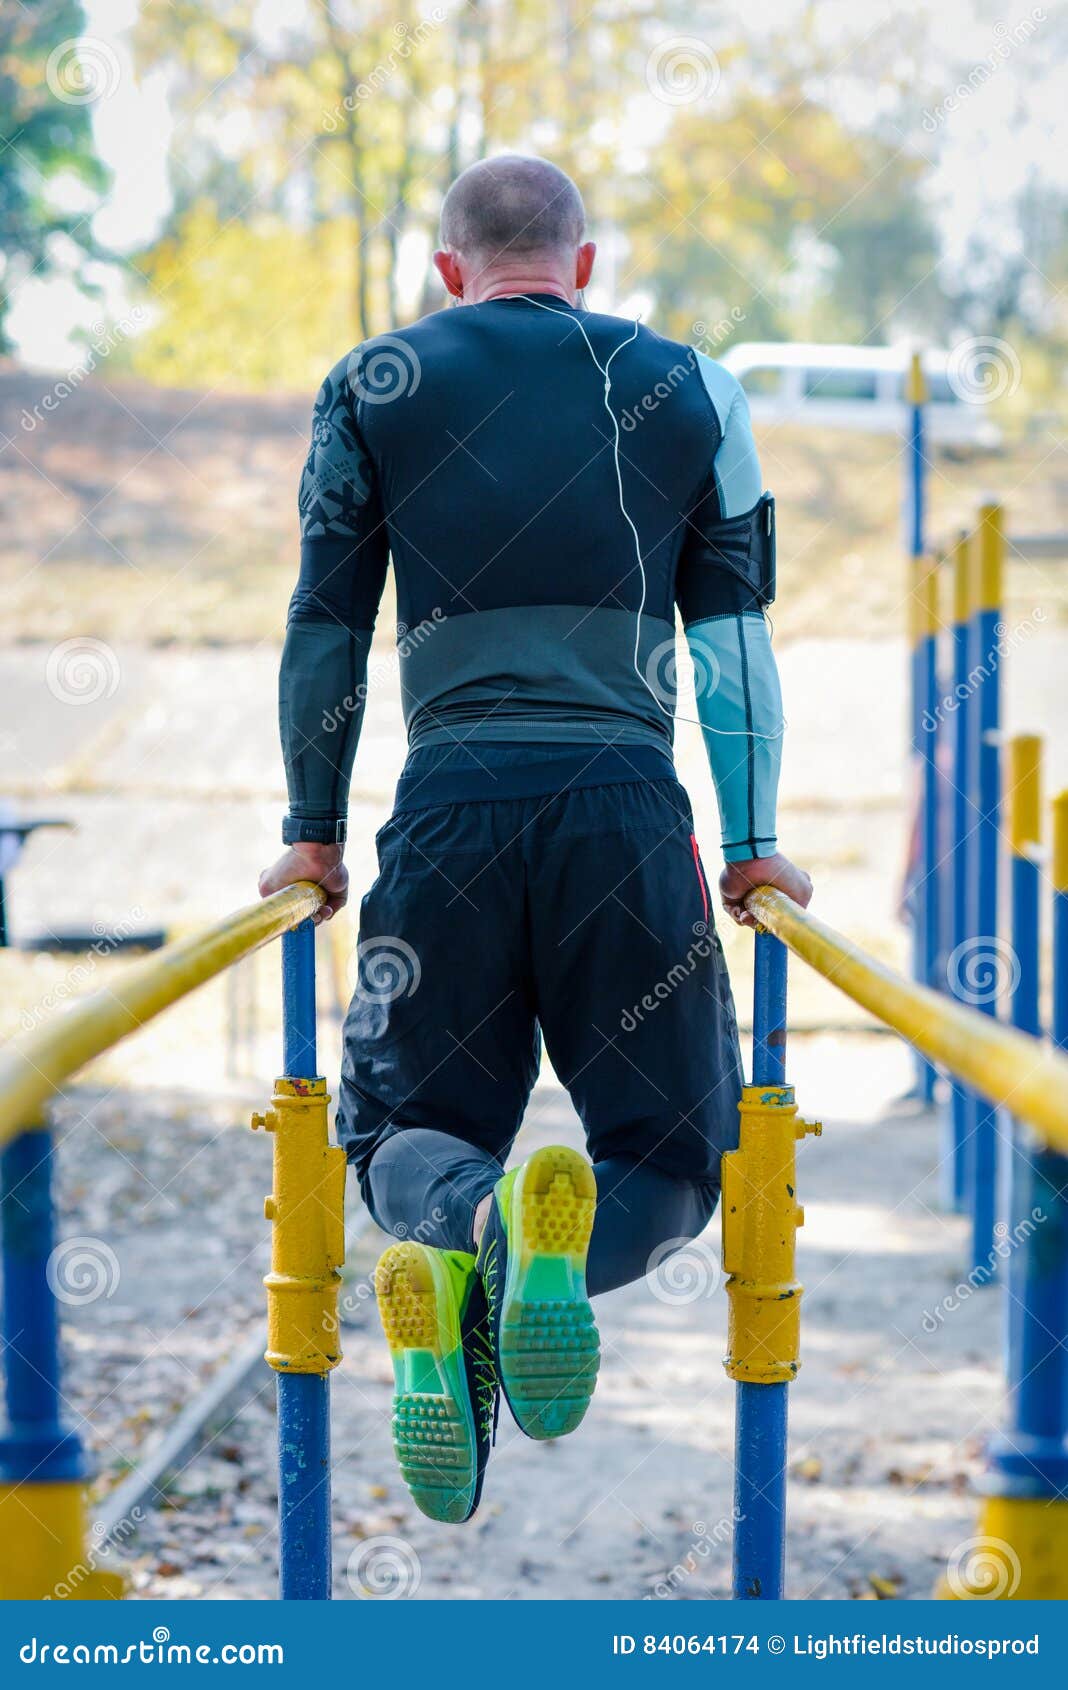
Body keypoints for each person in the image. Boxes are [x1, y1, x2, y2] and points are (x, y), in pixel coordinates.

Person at [259, 154, 812, 1525]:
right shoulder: (693, 387)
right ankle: (537, 1255)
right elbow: (734, 644)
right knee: (678, 1163)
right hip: (626, 815)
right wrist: (754, 843)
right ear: (587, 261)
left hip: (445, 812)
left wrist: (311, 837)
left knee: (402, 1132)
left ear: (451, 270)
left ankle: (469, 1239)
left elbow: (324, 630)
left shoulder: (373, 384)